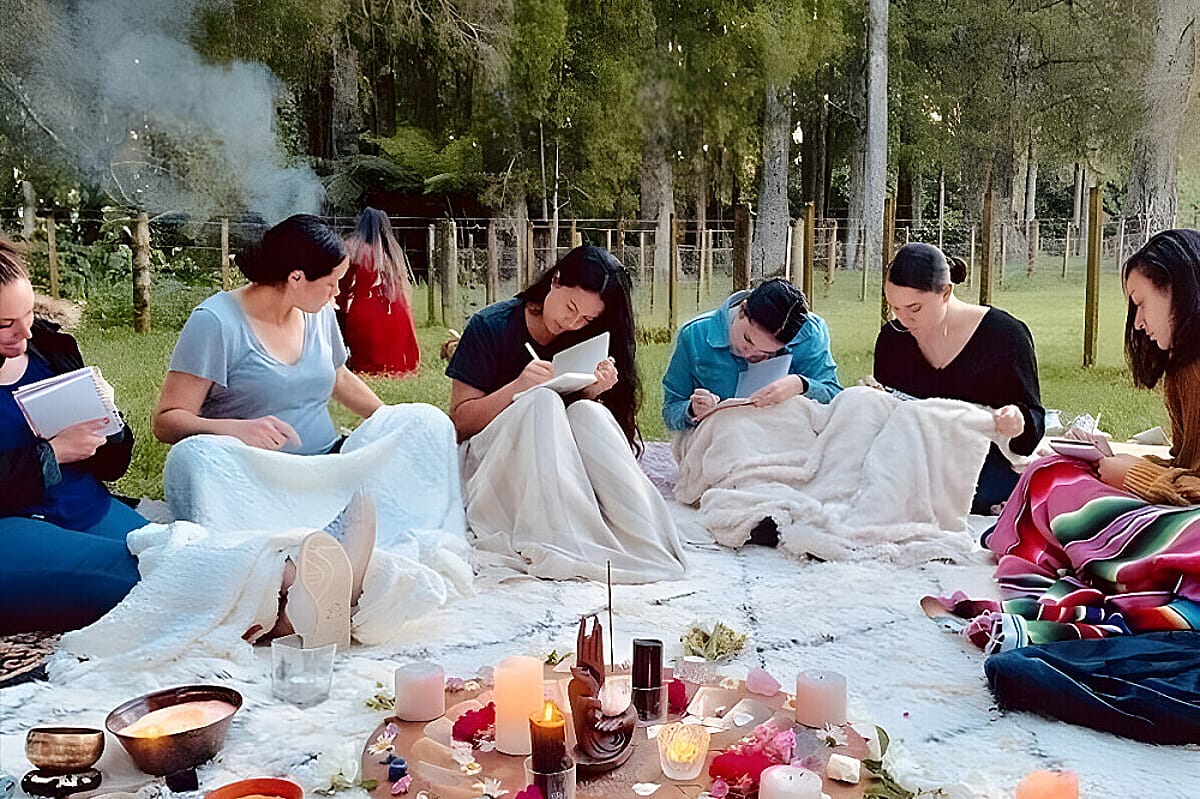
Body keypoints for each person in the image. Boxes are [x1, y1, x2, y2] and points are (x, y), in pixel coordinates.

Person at [153, 215, 468, 556]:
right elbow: (167, 421)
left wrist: (392, 425)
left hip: (329, 468)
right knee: (192, 456)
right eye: (331, 283)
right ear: (296, 277)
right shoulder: (215, 322)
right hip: (255, 477)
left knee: (425, 420)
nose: (337, 294)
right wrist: (233, 429)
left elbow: (340, 378)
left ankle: (346, 534)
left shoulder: (317, 312)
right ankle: (275, 549)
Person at [948, 229, 1200, 651]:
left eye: (1140, 303)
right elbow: (1187, 467)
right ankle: (1113, 557)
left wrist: (1135, 474)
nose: (1137, 322)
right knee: (1052, 473)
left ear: (1177, 288)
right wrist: (1112, 461)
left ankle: (1121, 564)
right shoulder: (1182, 371)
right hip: (1181, 511)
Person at [446, 245, 686, 583]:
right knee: (540, 402)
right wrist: (516, 388)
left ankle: (642, 536)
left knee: (590, 413)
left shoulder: (584, 334)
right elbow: (459, 424)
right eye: (571, 307)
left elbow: (573, 421)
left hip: (559, 460)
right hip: (491, 460)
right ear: (555, 281)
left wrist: (591, 390)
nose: (571, 322)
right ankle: (560, 537)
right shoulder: (492, 325)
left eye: (586, 318)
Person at [0, 235, 147, 633]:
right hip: (10, 525)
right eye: (4, 325)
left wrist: (107, 422)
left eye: (28, 313)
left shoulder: (52, 346)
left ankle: (288, 590)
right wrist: (50, 456)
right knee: (147, 579)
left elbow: (114, 464)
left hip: (85, 506)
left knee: (182, 552)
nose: (24, 333)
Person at [874, 242, 1044, 514]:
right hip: (915, 458)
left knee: (975, 493)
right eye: (895, 308)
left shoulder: (1004, 336)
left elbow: (1033, 422)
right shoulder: (892, 339)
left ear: (945, 292)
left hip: (982, 461)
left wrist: (1018, 420)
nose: (903, 319)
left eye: (914, 308)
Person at [662, 277, 841, 433]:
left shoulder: (810, 333)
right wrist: (693, 410)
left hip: (787, 434)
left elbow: (835, 396)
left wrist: (801, 384)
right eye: (748, 340)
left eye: (767, 353)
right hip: (721, 439)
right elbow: (671, 410)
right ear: (742, 310)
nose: (751, 353)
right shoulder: (695, 335)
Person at [337, 207, 420, 376]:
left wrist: (340, 315)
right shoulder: (393, 252)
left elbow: (342, 288)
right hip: (398, 314)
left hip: (365, 311)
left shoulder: (352, 248)